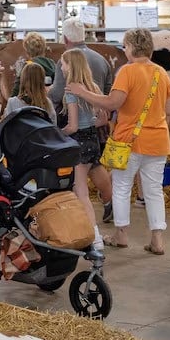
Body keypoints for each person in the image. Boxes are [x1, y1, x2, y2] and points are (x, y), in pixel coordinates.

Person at [67, 27, 170, 255]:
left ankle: (121, 235)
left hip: (129, 141)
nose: (124, 51)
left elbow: (112, 103)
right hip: (159, 140)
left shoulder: (127, 71)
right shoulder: (162, 73)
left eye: (125, 46)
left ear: (132, 47)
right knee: (154, 190)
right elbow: (168, 110)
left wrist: (82, 92)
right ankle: (157, 239)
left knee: (122, 188)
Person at [49, 16, 114, 224]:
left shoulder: (66, 60)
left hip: (77, 130)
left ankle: (87, 229)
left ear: (66, 38)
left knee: (80, 184)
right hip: (94, 128)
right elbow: (107, 93)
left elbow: (58, 94)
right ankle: (109, 200)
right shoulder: (101, 59)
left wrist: (45, 97)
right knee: (96, 164)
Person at [58, 48, 105, 250]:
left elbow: (73, 126)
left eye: (63, 63)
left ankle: (95, 237)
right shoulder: (92, 87)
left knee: (81, 191)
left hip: (79, 143)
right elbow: (102, 119)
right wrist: (90, 124)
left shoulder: (71, 91)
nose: (61, 67)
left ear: (71, 65)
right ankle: (115, 213)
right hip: (93, 141)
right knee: (103, 180)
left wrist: (57, 134)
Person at [10, 32, 55, 97]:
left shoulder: (28, 65)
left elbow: (17, 90)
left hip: (32, 103)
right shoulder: (52, 63)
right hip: (49, 102)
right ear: (44, 48)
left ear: (27, 50)